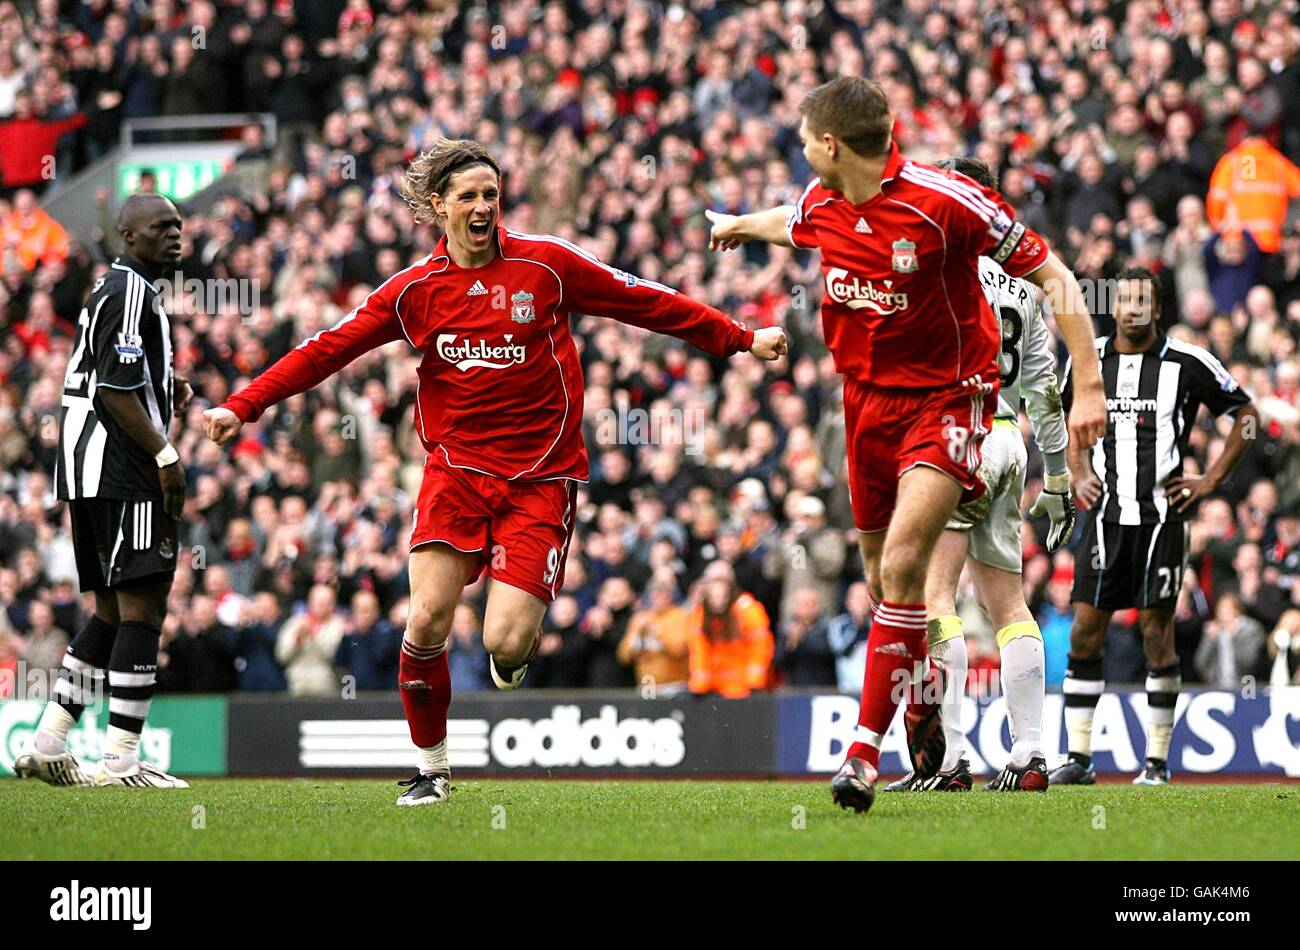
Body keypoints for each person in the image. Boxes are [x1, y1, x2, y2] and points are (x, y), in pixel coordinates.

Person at [202, 138, 786, 806]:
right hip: (455, 473)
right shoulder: (414, 292)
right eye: (469, 196)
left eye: (491, 194)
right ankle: (433, 769)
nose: (483, 206)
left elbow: (643, 299)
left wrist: (739, 338)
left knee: (504, 644)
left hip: (541, 477)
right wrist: (243, 405)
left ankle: (510, 659)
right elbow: (326, 349)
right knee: (424, 620)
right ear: (436, 206)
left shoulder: (546, 265)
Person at [706, 76, 1106, 814]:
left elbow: (1055, 275)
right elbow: (786, 221)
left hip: (952, 404)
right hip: (864, 408)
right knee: (884, 580)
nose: (797, 151)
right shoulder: (823, 203)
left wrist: (1088, 387)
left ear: (831, 145)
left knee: (907, 567)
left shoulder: (945, 200)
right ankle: (923, 704)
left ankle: (862, 753)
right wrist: (734, 223)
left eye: (801, 140)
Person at [887, 157, 1073, 794]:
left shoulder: (941, 270)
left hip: (957, 437)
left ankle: (950, 760)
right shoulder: (1024, 285)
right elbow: (1044, 392)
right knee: (1009, 605)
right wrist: (1058, 479)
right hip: (1009, 440)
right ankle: (1030, 755)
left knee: (933, 598)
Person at [1053, 267, 1259, 787]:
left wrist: (1212, 480)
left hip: (1163, 520)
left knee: (1155, 634)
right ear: (1114, 306)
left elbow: (1247, 415)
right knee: (1084, 631)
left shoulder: (1188, 362)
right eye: (1125, 300)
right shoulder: (1090, 358)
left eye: (1143, 300)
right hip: (1104, 520)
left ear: (1158, 309)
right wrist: (1077, 473)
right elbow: (1062, 422)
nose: (1133, 308)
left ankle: (1157, 764)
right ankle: (1079, 760)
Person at [14, 193, 190, 788]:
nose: (176, 236)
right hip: (122, 468)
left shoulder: (121, 290)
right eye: (161, 227)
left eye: (179, 226)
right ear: (129, 236)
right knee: (144, 606)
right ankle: (120, 762)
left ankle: (48, 741)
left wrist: (170, 386)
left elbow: (111, 372)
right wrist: (164, 453)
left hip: (90, 470)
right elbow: (114, 391)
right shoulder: (129, 292)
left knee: (112, 611)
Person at [686, 560, 774, 699]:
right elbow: (699, 650)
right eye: (713, 581)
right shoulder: (700, 613)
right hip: (712, 688)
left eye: (722, 581)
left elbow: (761, 648)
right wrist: (700, 686)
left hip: (742, 688)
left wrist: (754, 683)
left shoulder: (748, 610)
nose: (718, 586)